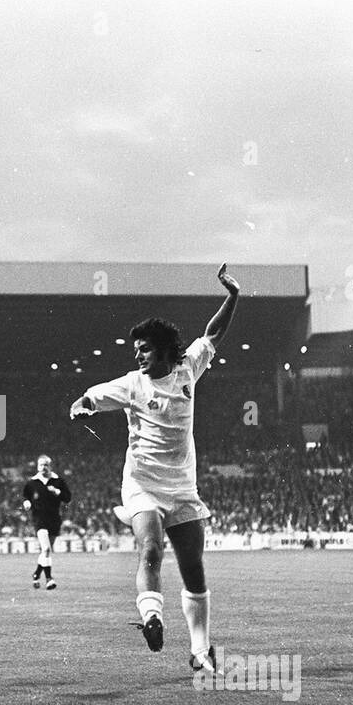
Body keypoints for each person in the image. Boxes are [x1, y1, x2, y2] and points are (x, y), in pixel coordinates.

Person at [69, 262, 240, 672]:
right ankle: (152, 617)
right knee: (150, 548)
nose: (138, 356)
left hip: (182, 488)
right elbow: (90, 398)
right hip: (142, 483)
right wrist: (80, 406)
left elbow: (211, 334)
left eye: (144, 349)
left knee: (193, 567)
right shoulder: (131, 384)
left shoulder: (187, 370)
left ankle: (200, 651)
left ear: (164, 349)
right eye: (136, 351)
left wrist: (233, 296)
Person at [22, 454, 71, 589]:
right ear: (37, 466)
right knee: (46, 548)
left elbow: (68, 498)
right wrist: (26, 503)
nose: (43, 467)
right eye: (41, 465)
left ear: (50, 466)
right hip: (39, 519)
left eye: (46, 465)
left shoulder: (58, 481)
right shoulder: (32, 483)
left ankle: (36, 574)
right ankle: (49, 579)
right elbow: (26, 496)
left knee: (46, 551)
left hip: (54, 519)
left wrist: (57, 492)